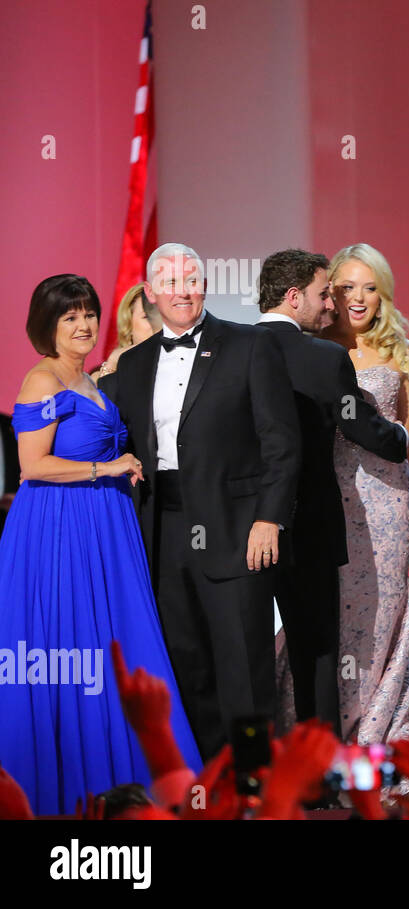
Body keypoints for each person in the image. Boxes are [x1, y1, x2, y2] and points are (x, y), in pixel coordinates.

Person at [0, 274, 201, 814]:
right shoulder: (43, 381)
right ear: (47, 326)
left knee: (115, 646)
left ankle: (129, 781)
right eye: (69, 317)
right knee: (73, 650)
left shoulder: (89, 380)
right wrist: (105, 465)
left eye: (89, 313)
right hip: (58, 529)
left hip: (104, 525)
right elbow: (31, 465)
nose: (84, 325)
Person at [99, 243, 300, 760]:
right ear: (150, 294)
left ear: (205, 284)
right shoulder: (133, 365)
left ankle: (255, 788)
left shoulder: (249, 345)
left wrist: (269, 519)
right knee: (185, 665)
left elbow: (281, 442)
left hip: (237, 529)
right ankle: (206, 789)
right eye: (169, 282)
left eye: (191, 278)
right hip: (161, 534)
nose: (182, 290)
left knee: (245, 669)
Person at [257, 249, 409, 736]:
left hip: (239, 520)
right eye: (327, 294)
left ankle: (249, 762)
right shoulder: (324, 356)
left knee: (239, 642)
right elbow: (358, 423)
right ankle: (318, 766)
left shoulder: (228, 347)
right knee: (316, 649)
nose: (332, 305)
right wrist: (401, 437)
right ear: (295, 295)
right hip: (310, 522)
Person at [318, 243, 409, 744]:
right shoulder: (314, 345)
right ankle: (321, 730)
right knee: (331, 610)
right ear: (330, 290)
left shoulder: (399, 354)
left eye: (370, 288)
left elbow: (407, 438)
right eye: (347, 287)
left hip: (390, 504)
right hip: (332, 497)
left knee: (385, 610)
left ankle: (377, 733)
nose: (358, 298)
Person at [90, 283, 160, 383]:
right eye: (147, 317)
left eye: (162, 316)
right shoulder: (98, 377)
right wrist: (112, 364)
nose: (158, 324)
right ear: (129, 325)